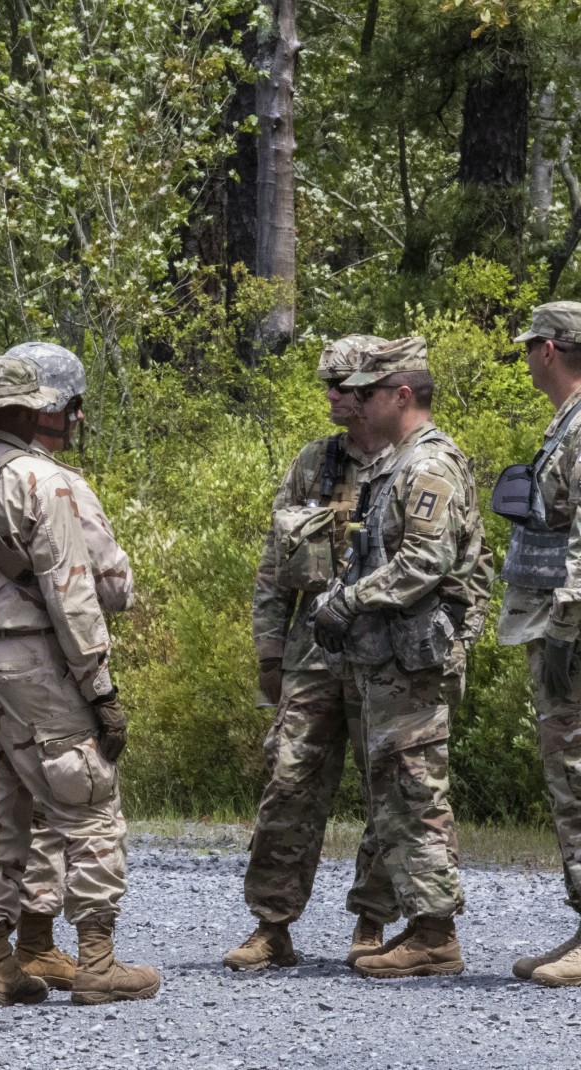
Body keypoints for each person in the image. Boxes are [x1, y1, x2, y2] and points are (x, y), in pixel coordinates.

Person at [0, 353, 160, 1006]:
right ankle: (98, 964)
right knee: (88, 799)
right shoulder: (41, 481)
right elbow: (71, 591)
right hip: (31, 661)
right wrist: (99, 689)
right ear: (26, 410)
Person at [310, 336, 492, 978]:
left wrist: (349, 601)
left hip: (414, 662)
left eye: (367, 394)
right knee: (394, 789)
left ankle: (435, 933)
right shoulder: (398, 462)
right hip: (388, 658)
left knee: (416, 789)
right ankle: (420, 926)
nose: (355, 404)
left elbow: (425, 562)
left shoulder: (429, 465)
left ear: (402, 395)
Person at [224, 336, 402, 971]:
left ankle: (372, 923)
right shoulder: (314, 464)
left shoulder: (415, 459)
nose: (331, 398)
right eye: (328, 386)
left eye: (343, 388)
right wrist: (269, 653)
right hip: (312, 654)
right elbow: (274, 570)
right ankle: (272, 924)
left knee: (391, 785)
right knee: (288, 780)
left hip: (390, 654)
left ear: (373, 391)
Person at [497, 301, 581, 986]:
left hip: (573, 631)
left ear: (550, 350)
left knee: (579, 772)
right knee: (567, 774)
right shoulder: (566, 423)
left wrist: (566, 623)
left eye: (530, 347)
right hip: (558, 625)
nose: (525, 357)